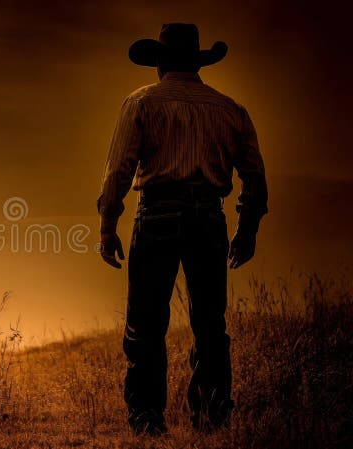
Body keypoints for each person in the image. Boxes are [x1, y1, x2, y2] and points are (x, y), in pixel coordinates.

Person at [97, 23, 268, 435]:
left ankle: (147, 418)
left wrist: (108, 225)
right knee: (210, 323)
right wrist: (246, 231)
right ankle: (210, 418)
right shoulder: (230, 109)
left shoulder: (141, 103)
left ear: (159, 63)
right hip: (209, 216)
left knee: (146, 320)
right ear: (198, 62)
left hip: (157, 212)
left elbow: (119, 169)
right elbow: (255, 178)